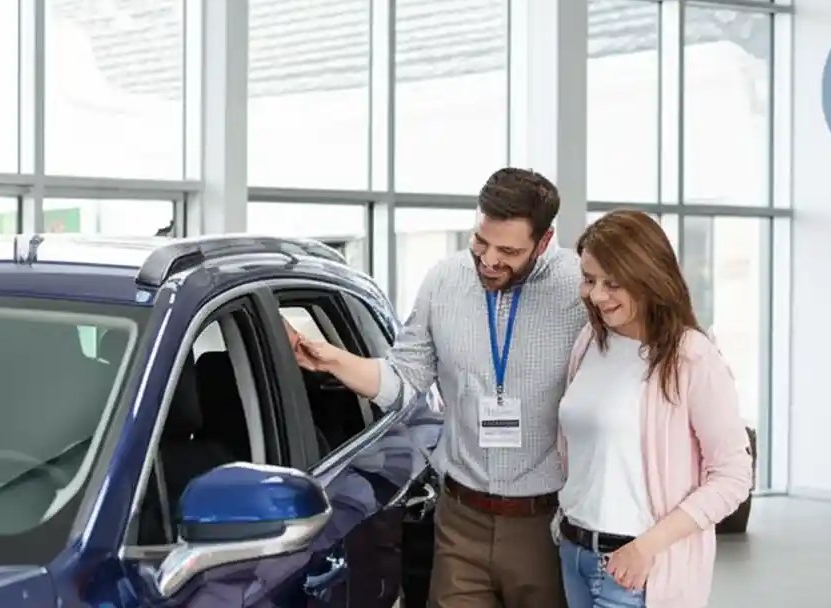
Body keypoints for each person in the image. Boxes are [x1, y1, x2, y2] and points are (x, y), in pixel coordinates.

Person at [287, 167, 587, 608]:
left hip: (546, 523)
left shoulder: (580, 290)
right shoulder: (444, 281)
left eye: (508, 251)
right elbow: (405, 379)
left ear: (544, 241)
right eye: (481, 242)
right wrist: (331, 358)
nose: (488, 261)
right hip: (461, 518)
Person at [555, 209, 752, 608]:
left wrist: (646, 548)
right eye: (590, 280)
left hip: (639, 571)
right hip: (574, 552)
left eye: (613, 283)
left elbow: (733, 477)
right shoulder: (590, 344)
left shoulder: (691, 357)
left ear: (648, 280)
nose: (596, 295)